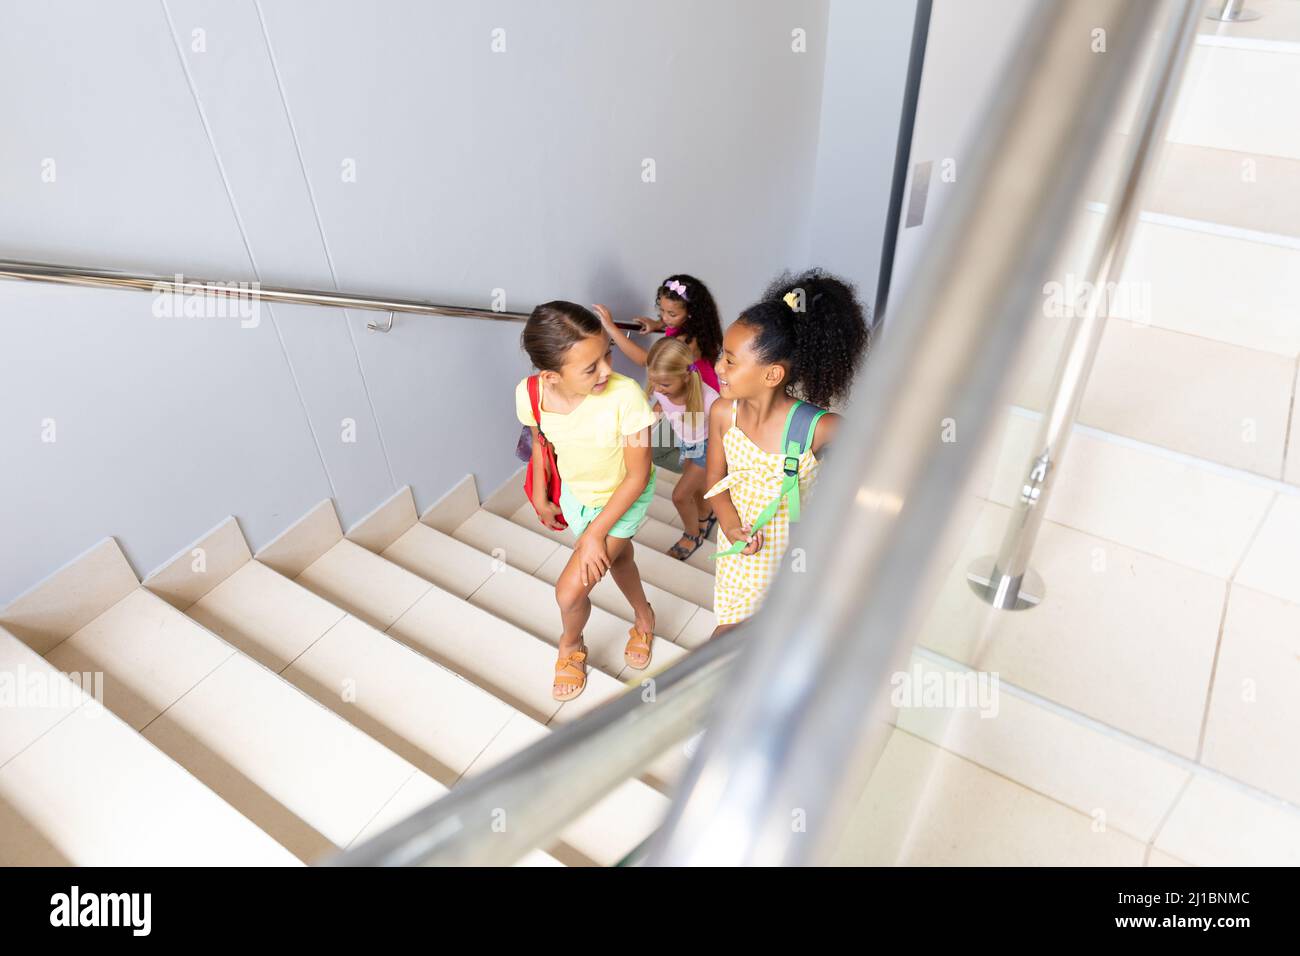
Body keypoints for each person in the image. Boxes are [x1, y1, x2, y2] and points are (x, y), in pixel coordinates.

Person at [703, 269, 869, 637]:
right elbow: (713, 479)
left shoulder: (822, 429)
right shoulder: (722, 413)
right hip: (739, 557)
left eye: (730, 361)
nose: (717, 368)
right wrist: (730, 525)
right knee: (729, 632)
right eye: (722, 355)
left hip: (793, 558)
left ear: (773, 375)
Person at [516, 301, 661, 700]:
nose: (607, 371)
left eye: (607, 355)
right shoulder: (531, 394)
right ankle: (645, 615)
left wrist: (596, 533)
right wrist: (543, 494)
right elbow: (542, 445)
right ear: (551, 376)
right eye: (590, 367)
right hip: (578, 496)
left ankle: (570, 647)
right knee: (621, 558)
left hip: (623, 498)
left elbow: (639, 473)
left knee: (569, 592)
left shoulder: (625, 396)